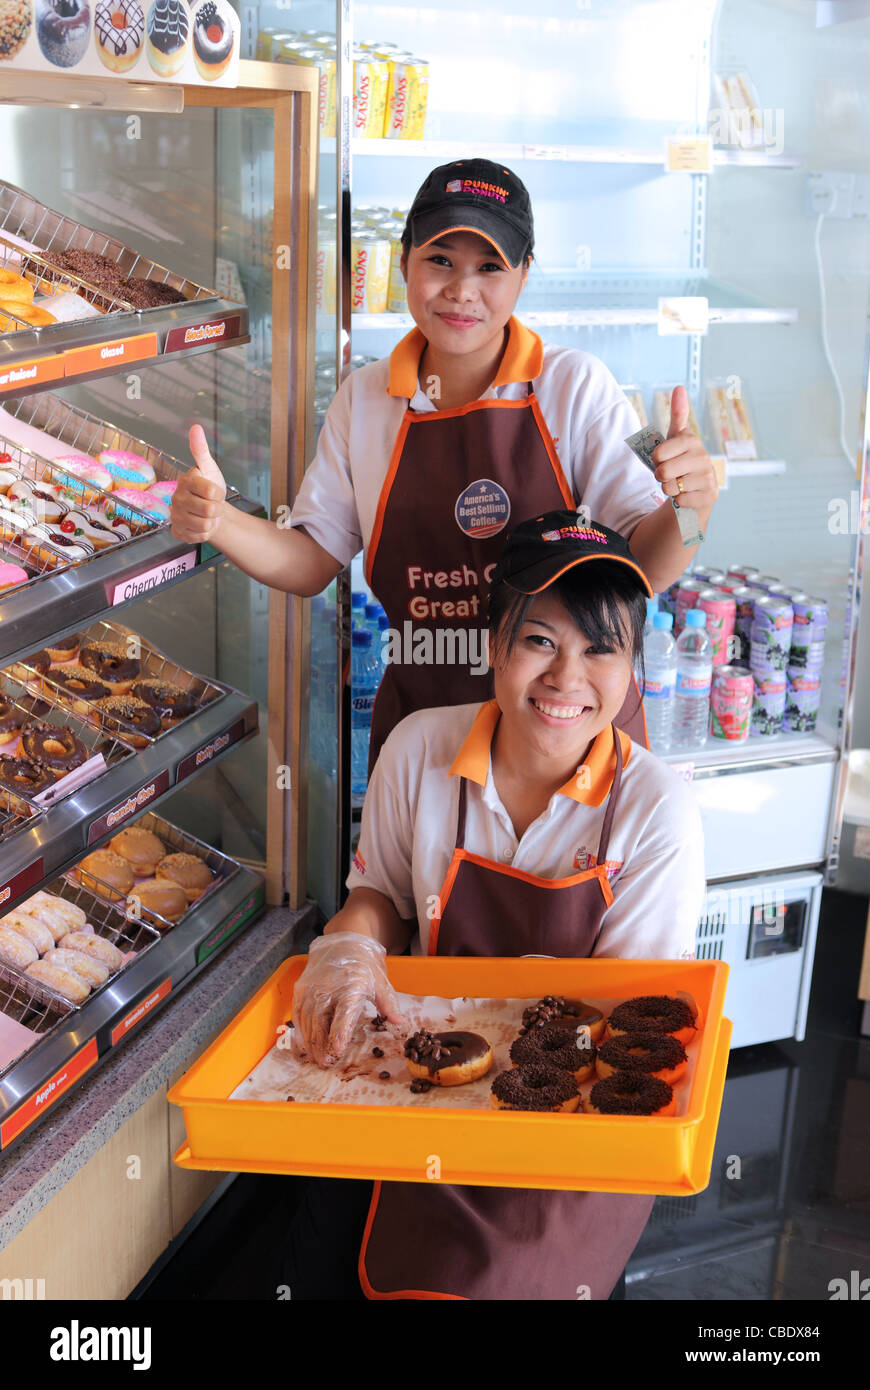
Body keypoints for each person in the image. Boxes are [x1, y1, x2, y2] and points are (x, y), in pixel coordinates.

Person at [284, 511, 706, 1301]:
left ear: (633, 668)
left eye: (600, 649)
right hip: (416, 1085)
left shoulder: (656, 811)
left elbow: (628, 1028)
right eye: (540, 640)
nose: (566, 679)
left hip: (572, 1125)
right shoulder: (417, 750)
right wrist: (347, 948)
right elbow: (379, 896)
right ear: (492, 644)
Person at [171, 158, 719, 763]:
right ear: (404, 261)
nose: (462, 290)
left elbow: (650, 564)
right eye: (440, 261)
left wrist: (693, 507)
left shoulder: (579, 388)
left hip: (566, 730)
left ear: (524, 276)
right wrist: (219, 523)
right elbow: (311, 561)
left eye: (490, 267)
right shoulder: (365, 400)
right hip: (427, 735)